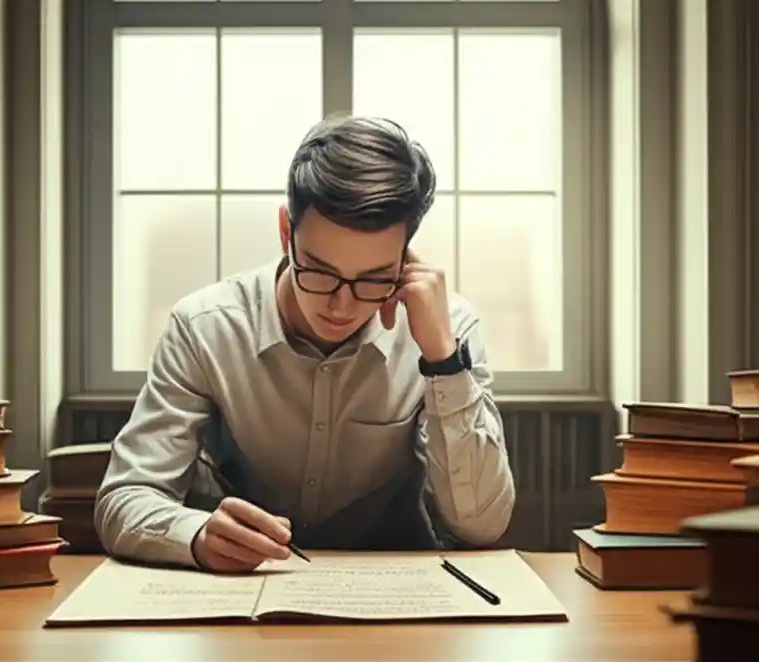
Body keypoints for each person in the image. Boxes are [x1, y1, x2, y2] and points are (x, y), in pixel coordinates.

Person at [95, 115, 515, 572]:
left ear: (404, 258)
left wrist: (443, 362)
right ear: (285, 233)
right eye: (319, 271)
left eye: (373, 280)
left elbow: (481, 526)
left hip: (394, 589)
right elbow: (125, 497)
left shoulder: (447, 329)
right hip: (239, 588)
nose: (341, 305)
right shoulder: (204, 328)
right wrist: (194, 535)